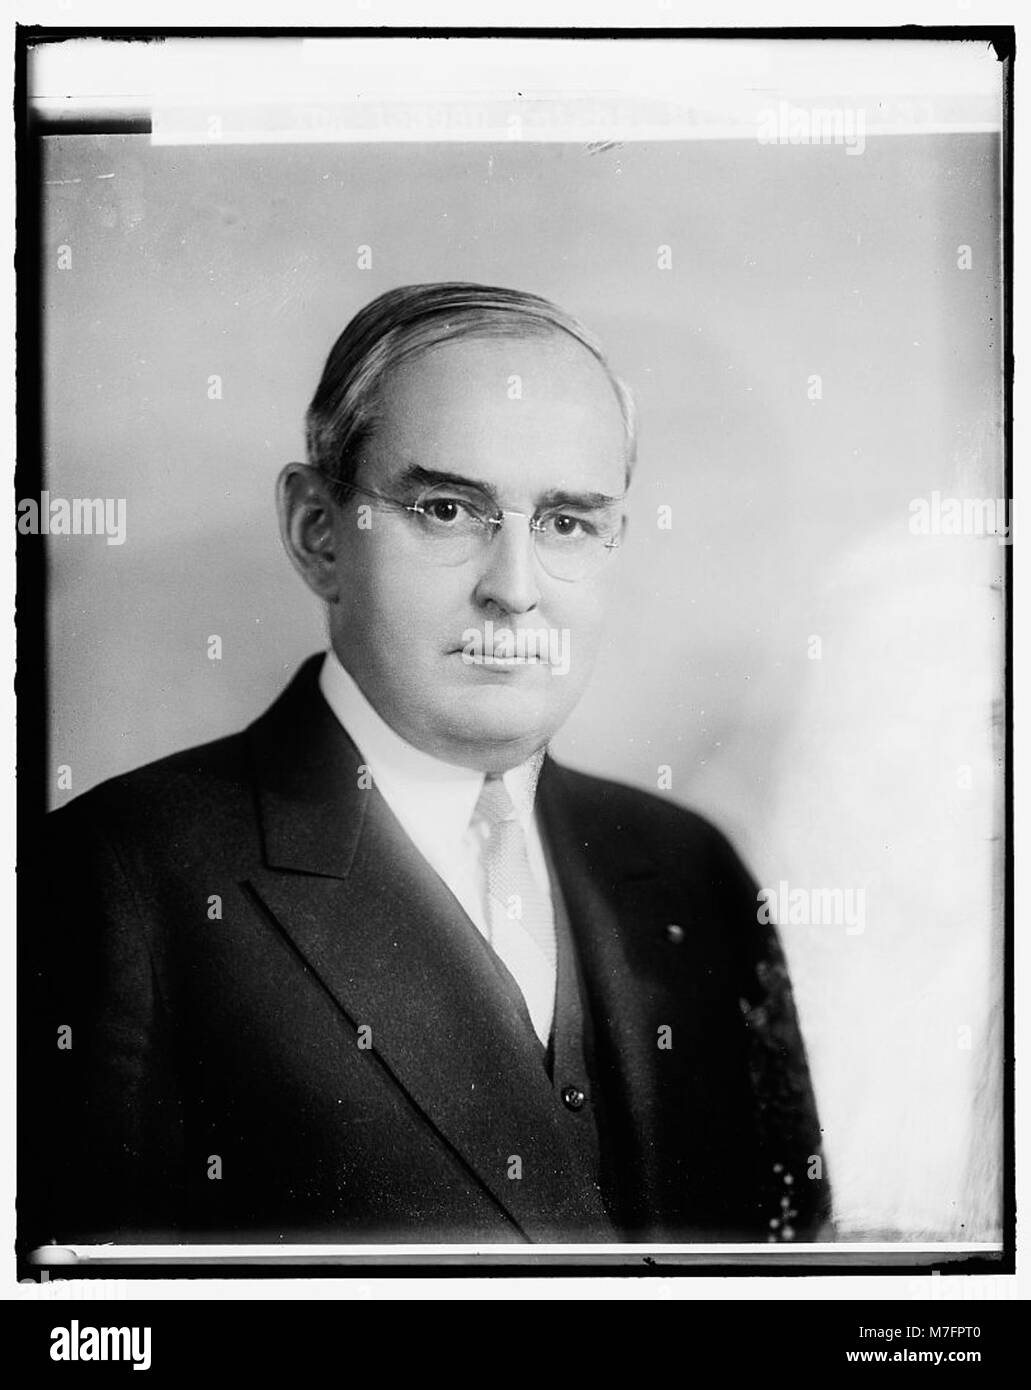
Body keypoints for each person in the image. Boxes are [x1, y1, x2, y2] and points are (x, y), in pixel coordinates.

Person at [22, 283, 828, 1249]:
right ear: (318, 531)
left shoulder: (689, 870)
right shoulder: (120, 877)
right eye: (447, 510)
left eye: (568, 523)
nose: (514, 590)